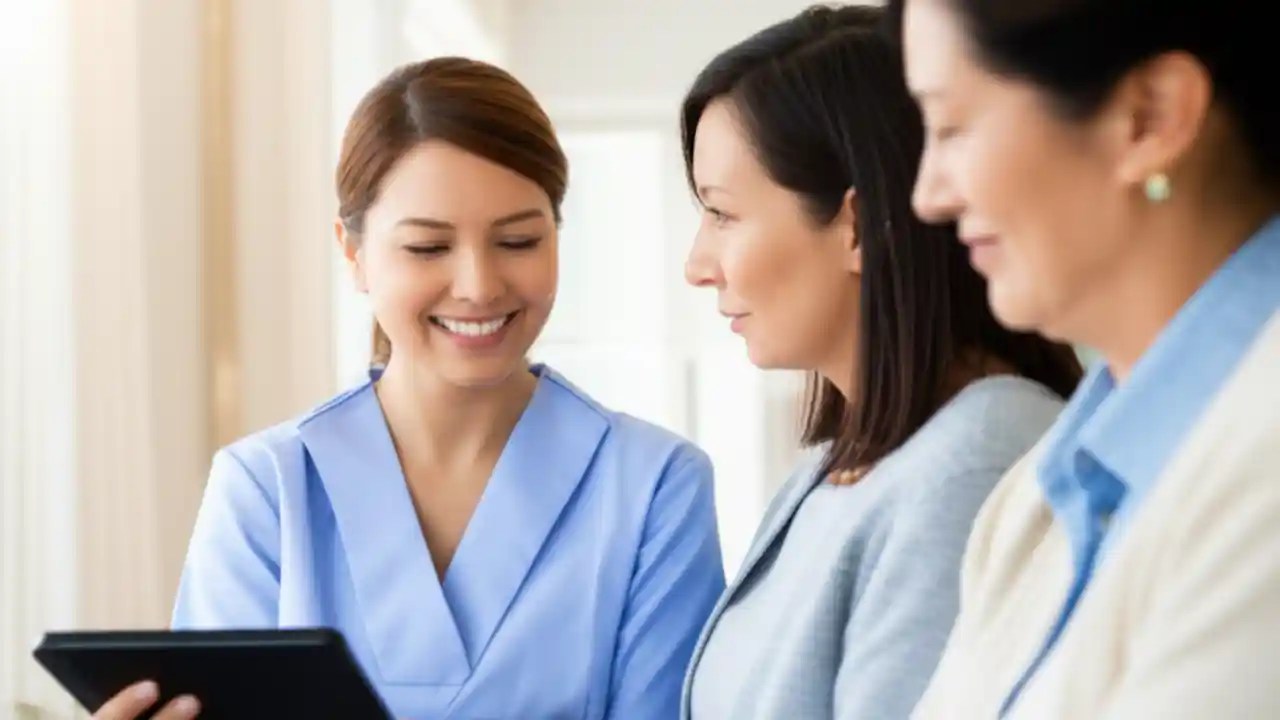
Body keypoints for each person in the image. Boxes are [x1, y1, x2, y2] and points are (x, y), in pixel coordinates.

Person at [92, 57, 725, 720]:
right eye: (427, 248)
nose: (479, 285)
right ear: (353, 253)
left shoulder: (655, 486)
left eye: (518, 240)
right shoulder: (267, 489)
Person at [677, 6, 1082, 719]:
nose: (697, 265)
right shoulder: (837, 467)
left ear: (857, 226)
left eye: (723, 214)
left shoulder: (976, 466)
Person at [892, 0, 1280, 717]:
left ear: (1151, 117)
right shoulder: (1033, 501)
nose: (927, 196)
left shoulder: (1263, 474)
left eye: (950, 126)